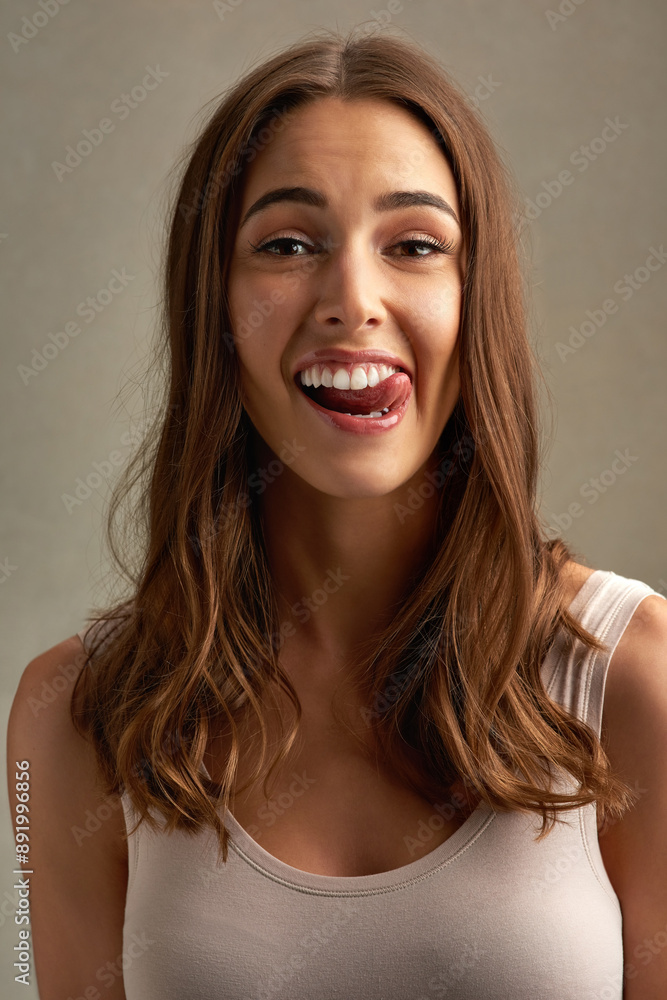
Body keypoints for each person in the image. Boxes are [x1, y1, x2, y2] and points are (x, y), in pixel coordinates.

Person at [7, 27, 667, 1000]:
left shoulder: (635, 679)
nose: (352, 298)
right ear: (214, 307)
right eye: (286, 244)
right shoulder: (70, 716)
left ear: (472, 299)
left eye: (413, 245)